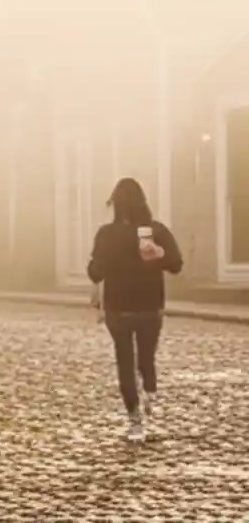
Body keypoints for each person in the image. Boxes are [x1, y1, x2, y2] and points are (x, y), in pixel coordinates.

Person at [87, 178, 183, 444]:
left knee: (125, 362)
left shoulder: (106, 234)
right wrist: (160, 253)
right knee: (146, 357)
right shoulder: (156, 231)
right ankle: (150, 392)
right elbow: (176, 264)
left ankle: (134, 419)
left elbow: (95, 271)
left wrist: (104, 261)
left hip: (118, 307)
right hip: (150, 305)